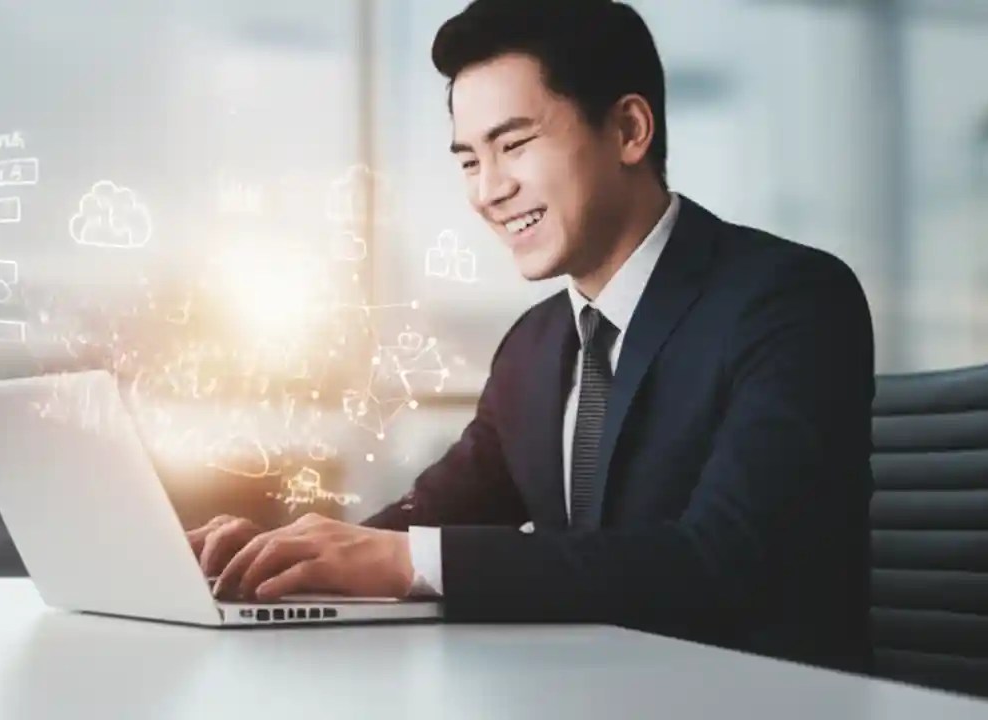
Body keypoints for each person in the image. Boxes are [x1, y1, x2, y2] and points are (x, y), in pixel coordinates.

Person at [187, 0, 874, 673]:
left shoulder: (789, 300)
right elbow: (423, 517)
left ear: (630, 130)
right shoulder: (536, 345)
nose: (489, 190)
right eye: (467, 161)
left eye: (513, 144)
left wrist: (406, 561)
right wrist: (277, 555)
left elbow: (718, 565)